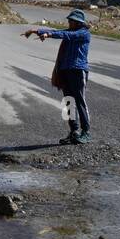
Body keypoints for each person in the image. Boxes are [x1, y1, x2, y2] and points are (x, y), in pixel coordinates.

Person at [23, 9, 92, 144]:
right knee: (68, 101)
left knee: (79, 101)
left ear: (78, 22)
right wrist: (36, 31)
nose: (69, 22)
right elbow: (59, 32)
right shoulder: (71, 31)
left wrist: (47, 34)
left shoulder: (83, 34)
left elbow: (64, 34)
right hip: (65, 70)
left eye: (71, 20)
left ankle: (86, 132)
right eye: (69, 20)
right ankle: (74, 131)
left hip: (78, 71)